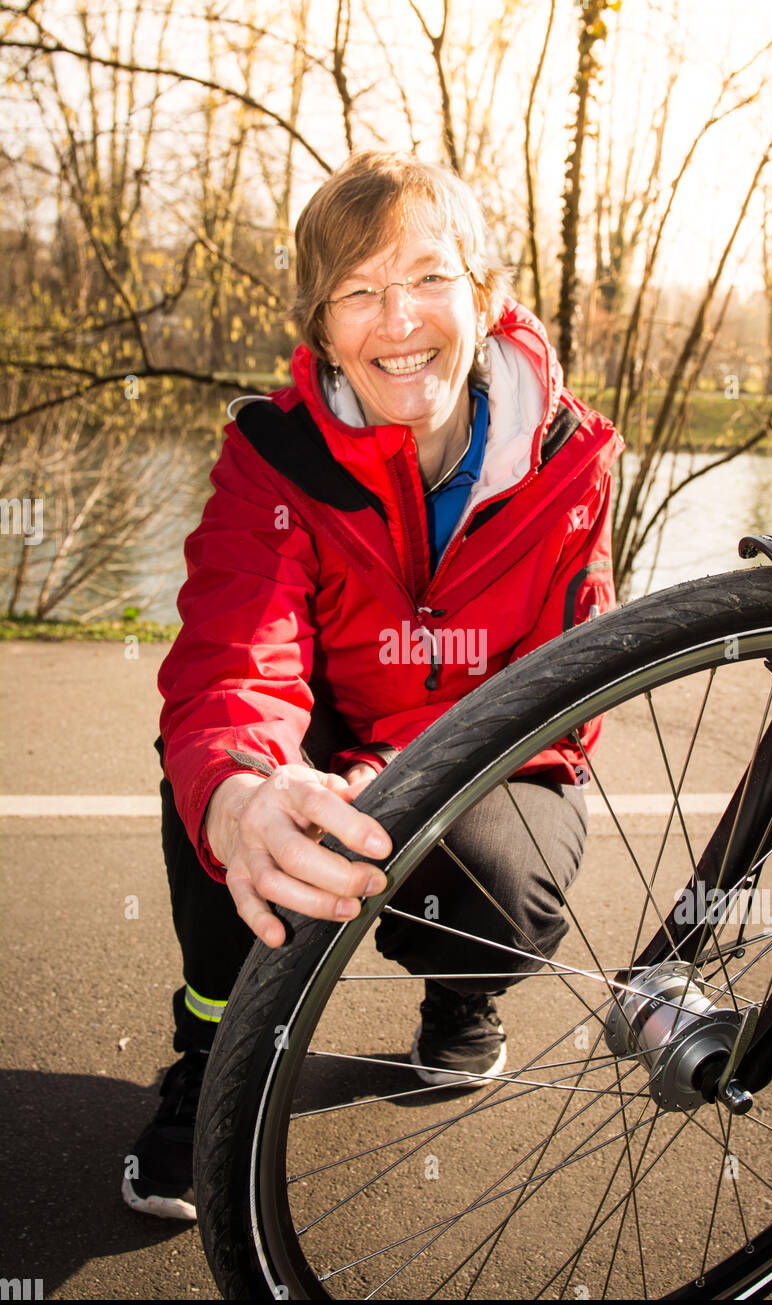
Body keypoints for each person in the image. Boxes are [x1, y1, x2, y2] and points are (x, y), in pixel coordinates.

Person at [122, 150, 623, 1220]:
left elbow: (568, 686)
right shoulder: (273, 451)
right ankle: (212, 1043)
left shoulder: (573, 455)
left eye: (428, 278)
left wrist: (407, 774)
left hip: (488, 748)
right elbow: (231, 653)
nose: (396, 319)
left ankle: (460, 994)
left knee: (509, 886)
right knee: (218, 783)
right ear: (322, 326)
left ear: (484, 298)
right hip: (325, 733)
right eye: (357, 290)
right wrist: (246, 790)